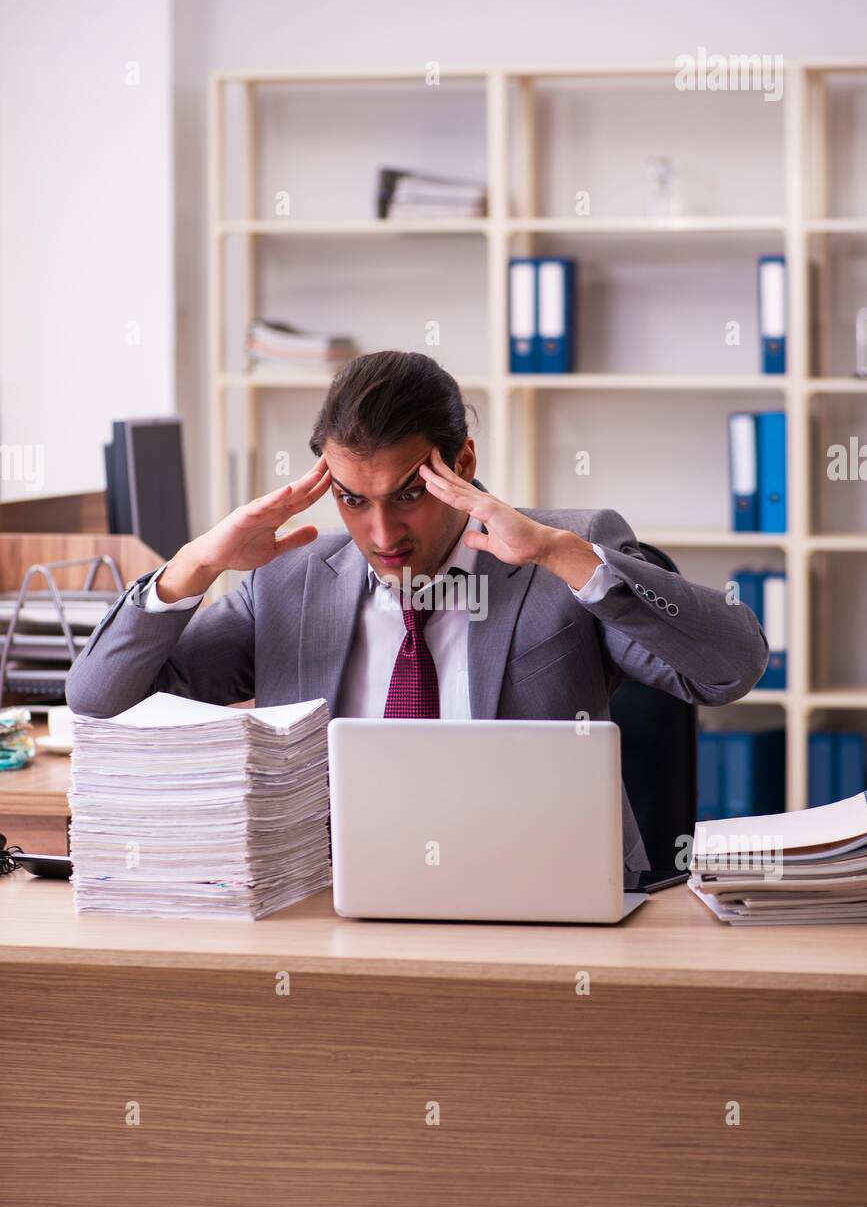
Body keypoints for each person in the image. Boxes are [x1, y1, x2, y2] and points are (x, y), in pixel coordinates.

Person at [66, 350, 769, 881]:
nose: (380, 534)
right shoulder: (290, 581)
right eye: (350, 499)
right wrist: (193, 565)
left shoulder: (560, 555)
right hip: (333, 904)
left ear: (460, 462)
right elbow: (100, 701)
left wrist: (561, 555)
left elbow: (729, 671)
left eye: (407, 495)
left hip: (542, 901)